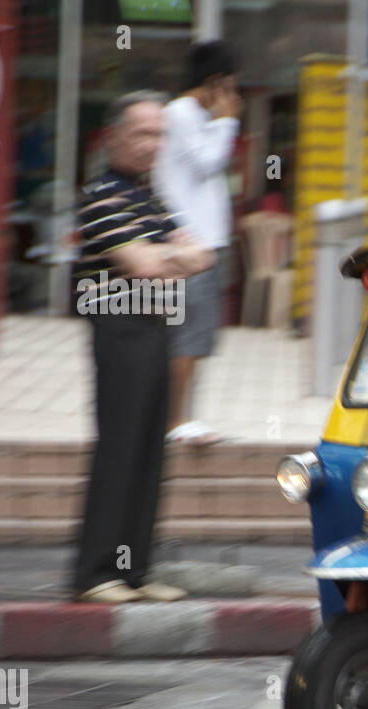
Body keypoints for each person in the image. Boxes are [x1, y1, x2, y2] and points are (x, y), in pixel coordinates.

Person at [71, 91, 213, 603]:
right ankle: (94, 575)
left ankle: (135, 571)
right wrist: (169, 257)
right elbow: (144, 266)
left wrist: (168, 256)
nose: (153, 144)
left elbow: (204, 253)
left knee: (152, 451)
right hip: (118, 326)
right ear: (114, 137)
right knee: (120, 447)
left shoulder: (147, 197)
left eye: (159, 134)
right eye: (142, 133)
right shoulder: (101, 194)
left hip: (156, 327)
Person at [154, 40, 242, 443]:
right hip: (189, 247)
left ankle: (186, 417)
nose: (233, 98)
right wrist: (227, 122)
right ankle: (175, 422)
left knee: (198, 337)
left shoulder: (197, 119)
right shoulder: (180, 114)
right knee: (187, 335)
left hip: (207, 246)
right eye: (230, 88)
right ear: (215, 83)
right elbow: (209, 163)